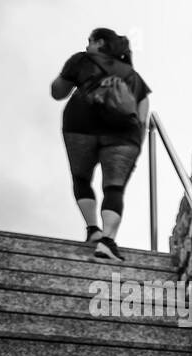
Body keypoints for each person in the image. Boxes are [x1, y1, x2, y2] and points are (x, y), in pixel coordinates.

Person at [50, 29, 152, 261]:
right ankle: (107, 241)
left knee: (81, 179)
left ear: (100, 43)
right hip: (124, 136)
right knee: (114, 188)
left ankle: (92, 229)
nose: (87, 45)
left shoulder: (81, 60)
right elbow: (143, 115)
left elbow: (57, 92)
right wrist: (137, 144)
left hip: (80, 127)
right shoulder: (134, 77)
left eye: (90, 41)